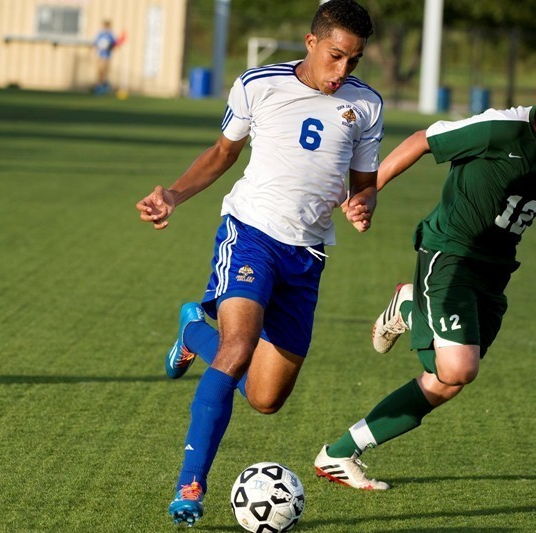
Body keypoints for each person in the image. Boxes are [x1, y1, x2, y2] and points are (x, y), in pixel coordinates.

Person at [314, 50, 536, 490]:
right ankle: (411, 306)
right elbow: (422, 139)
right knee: (458, 367)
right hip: (448, 252)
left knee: (447, 381)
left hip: (495, 274)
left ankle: (339, 453)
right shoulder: (500, 128)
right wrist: (368, 191)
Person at [136, 0, 382, 525]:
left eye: (353, 62)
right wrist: (174, 196)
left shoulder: (366, 105)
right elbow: (223, 154)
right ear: (312, 42)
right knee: (239, 345)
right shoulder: (259, 84)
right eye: (336, 56)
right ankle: (191, 483)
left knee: (266, 399)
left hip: (307, 256)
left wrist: (364, 204)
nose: (343, 72)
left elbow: (364, 184)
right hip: (249, 234)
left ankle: (191, 334)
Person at [92, 20, 120, 95]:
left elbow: (114, 44)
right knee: (99, 71)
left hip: (107, 56)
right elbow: (95, 43)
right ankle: (98, 86)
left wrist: (111, 46)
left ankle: (104, 86)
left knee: (105, 71)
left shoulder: (111, 35)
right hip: (100, 55)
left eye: (107, 26)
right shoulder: (100, 34)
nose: (106, 27)